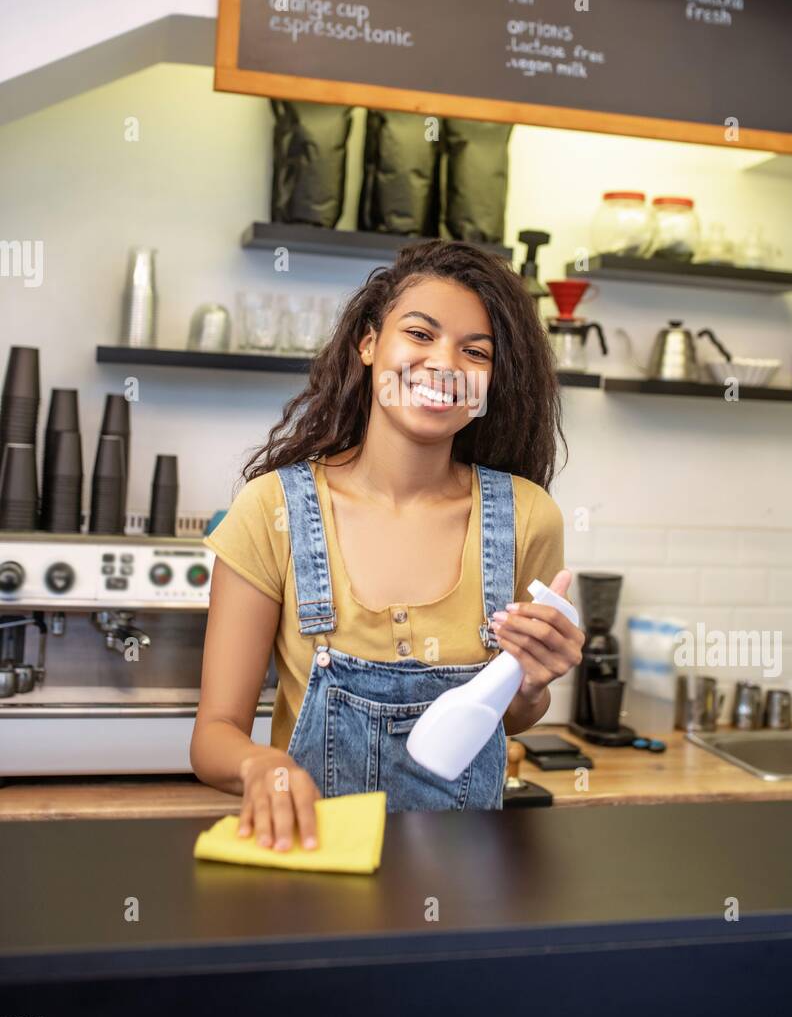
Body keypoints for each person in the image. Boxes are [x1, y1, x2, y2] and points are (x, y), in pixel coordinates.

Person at [190, 239, 584, 849]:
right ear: (369, 344)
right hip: (315, 868)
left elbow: (507, 717)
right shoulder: (272, 511)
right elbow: (214, 733)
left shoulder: (529, 517)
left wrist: (532, 683)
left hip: (467, 876)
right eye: (420, 334)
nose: (444, 364)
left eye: (474, 351)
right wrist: (259, 766)